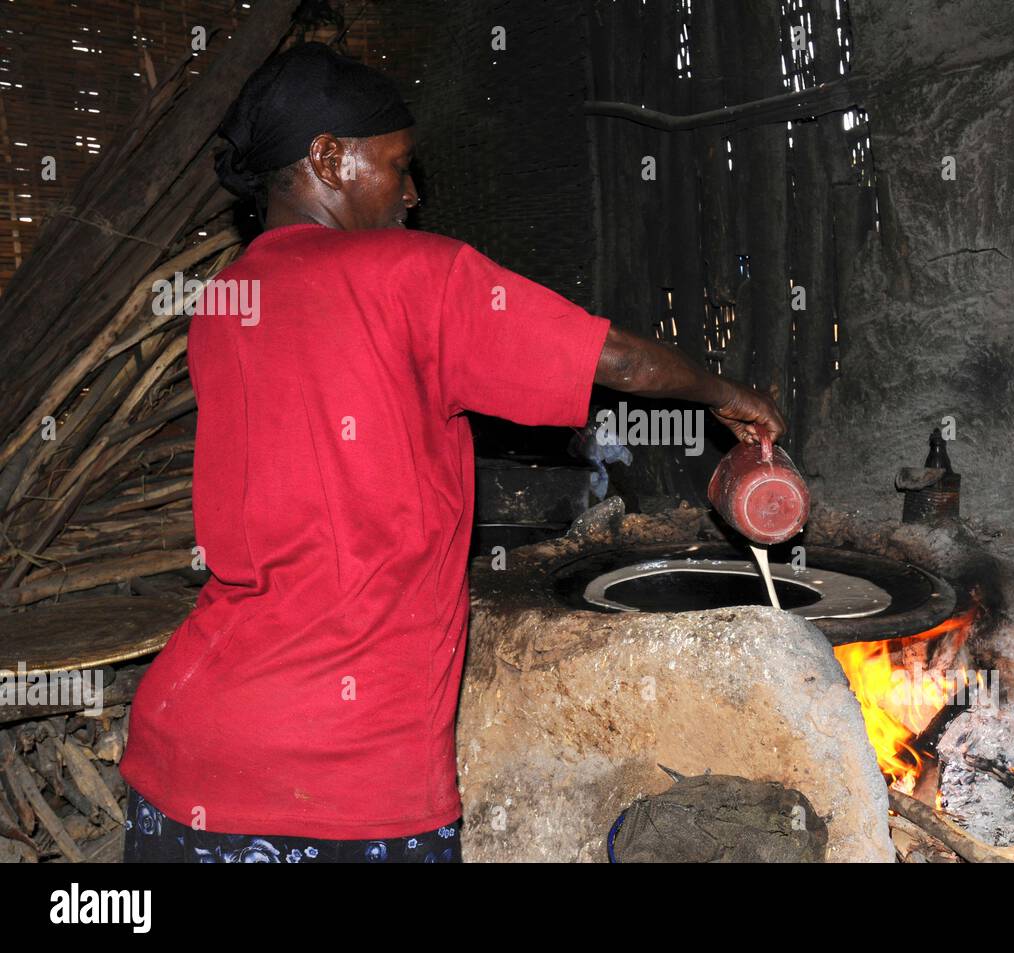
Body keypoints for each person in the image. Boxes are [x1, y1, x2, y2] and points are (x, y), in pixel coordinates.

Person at [118, 42, 784, 863]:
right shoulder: (413, 276)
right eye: (398, 167)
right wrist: (725, 394)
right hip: (349, 784)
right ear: (328, 157)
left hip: (185, 757)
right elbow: (615, 361)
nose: (413, 191)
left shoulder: (223, 304)